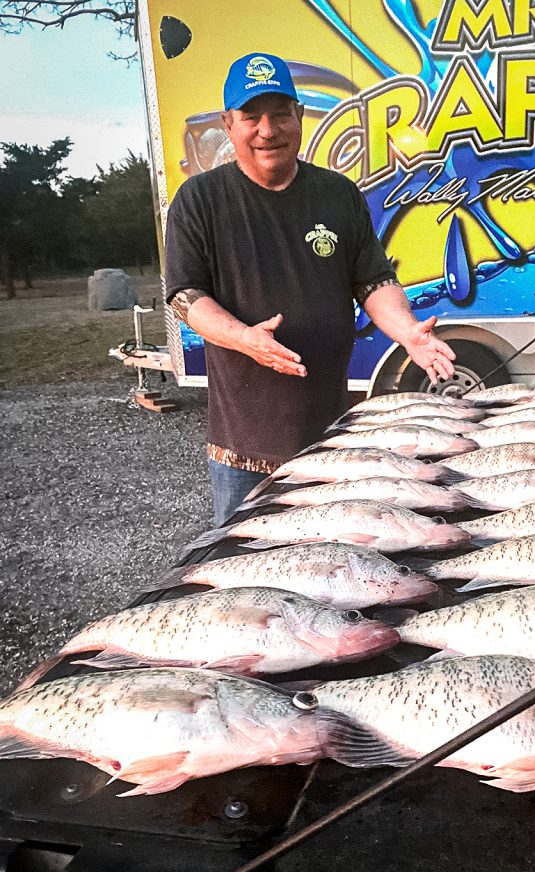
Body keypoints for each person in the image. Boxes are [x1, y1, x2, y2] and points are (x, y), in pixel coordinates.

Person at [164, 51, 456, 526]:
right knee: (246, 572)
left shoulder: (338, 194)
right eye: (251, 116)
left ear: (300, 116)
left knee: (333, 568)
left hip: (332, 439)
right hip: (243, 447)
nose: (267, 129)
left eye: (281, 113)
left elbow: (373, 281)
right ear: (228, 123)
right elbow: (185, 295)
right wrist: (244, 338)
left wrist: (407, 332)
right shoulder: (200, 199)